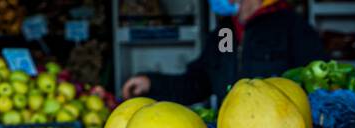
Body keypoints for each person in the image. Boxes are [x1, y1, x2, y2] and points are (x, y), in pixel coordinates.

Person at [121, 0, 325, 105]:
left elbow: (318, 85)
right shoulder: (226, 33)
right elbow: (200, 82)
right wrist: (151, 83)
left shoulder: (290, 26)